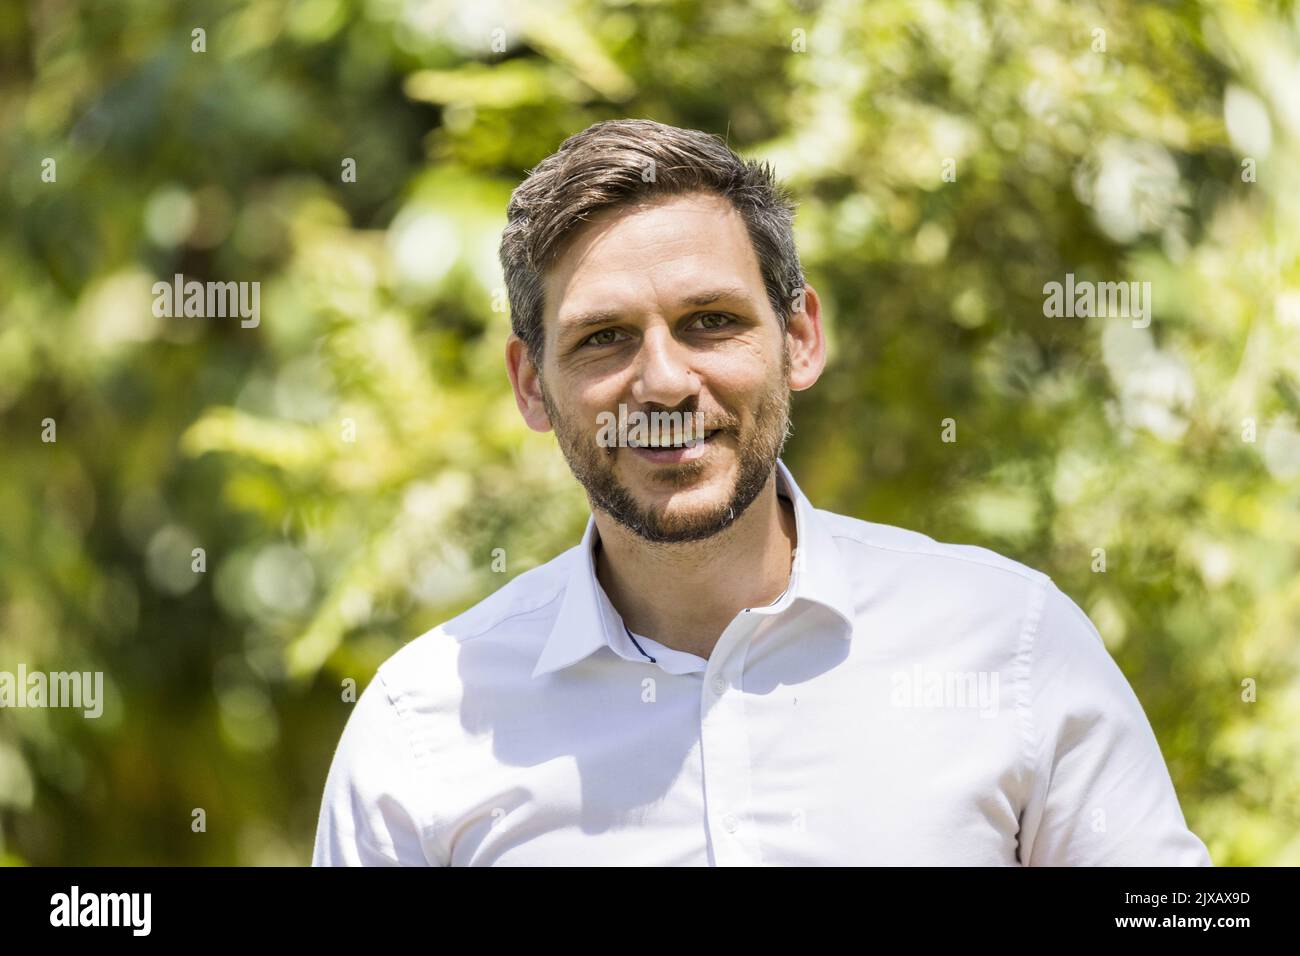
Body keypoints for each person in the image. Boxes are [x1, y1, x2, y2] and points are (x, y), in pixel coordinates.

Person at [312, 118, 1212, 866]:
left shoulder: (1008, 644)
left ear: (800, 339)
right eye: (603, 338)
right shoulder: (421, 729)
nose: (662, 382)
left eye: (712, 322)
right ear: (530, 384)